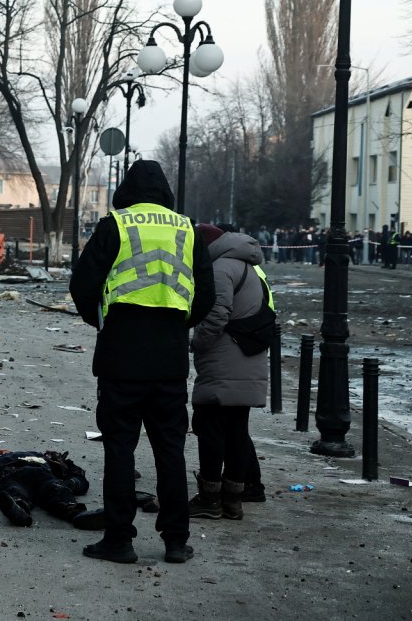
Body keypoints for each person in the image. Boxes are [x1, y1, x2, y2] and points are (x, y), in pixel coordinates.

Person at [70, 160, 214, 565]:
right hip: (168, 358)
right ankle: (175, 540)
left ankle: (119, 538)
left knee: (120, 448)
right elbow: (205, 293)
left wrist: (102, 320)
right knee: (170, 449)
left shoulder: (114, 224)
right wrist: (177, 322)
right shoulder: (187, 229)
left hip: (120, 354)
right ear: (166, 191)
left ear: (125, 189)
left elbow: (82, 285)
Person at [187, 223, 272, 521]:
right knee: (236, 431)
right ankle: (233, 501)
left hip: (225, 360)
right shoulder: (246, 265)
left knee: (210, 431)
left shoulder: (221, 268)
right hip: (247, 359)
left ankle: (210, 498)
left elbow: (216, 315)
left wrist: (195, 342)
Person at [0, 450, 90, 527]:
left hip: (43, 476)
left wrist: (71, 483)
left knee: (57, 490)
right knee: (14, 491)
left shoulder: (49, 459)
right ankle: (19, 509)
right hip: (14, 475)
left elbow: (78, 476)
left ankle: (76, 513)